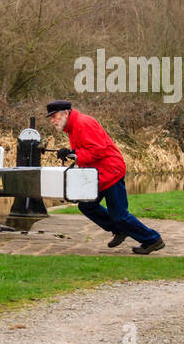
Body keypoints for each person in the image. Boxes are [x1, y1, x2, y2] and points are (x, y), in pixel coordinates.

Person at [45, 99, 164, 254]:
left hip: (110, 172)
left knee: (120, 215)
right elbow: (87, 148)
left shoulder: (83, 123)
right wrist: (71, 152)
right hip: (98, 174)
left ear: (66, 113)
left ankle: (153, 240)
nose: (52, 120)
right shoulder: (73, 126)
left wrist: (73, 154)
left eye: (54, 116)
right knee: (87, 205)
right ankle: (119, 230)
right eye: (51, 117)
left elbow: (98, 150)